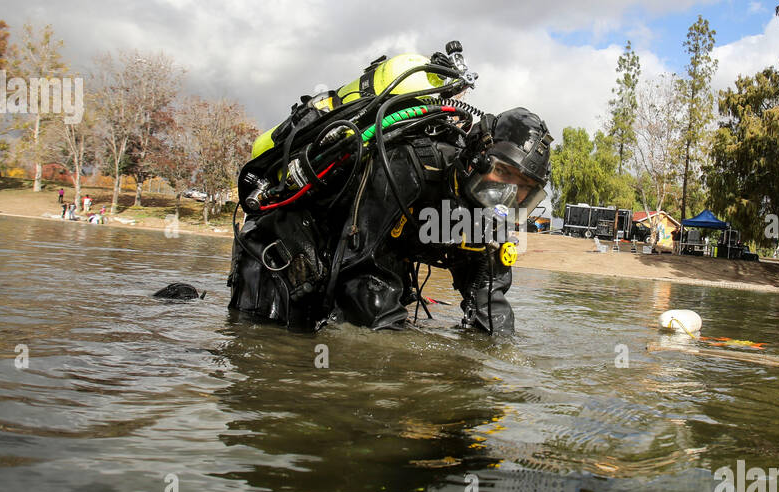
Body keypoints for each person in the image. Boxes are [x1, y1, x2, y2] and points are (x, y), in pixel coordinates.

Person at [226, 42, 551, 333]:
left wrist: (499, 367)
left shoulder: (488, 221)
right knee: (267, 340)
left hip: (359, 262)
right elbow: (361, 276)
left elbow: (490, 303)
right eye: (503, 175)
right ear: (476, 159)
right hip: (285, 244)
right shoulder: (408, 166)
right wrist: (399, 367)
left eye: (524, 192)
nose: (508, 195)